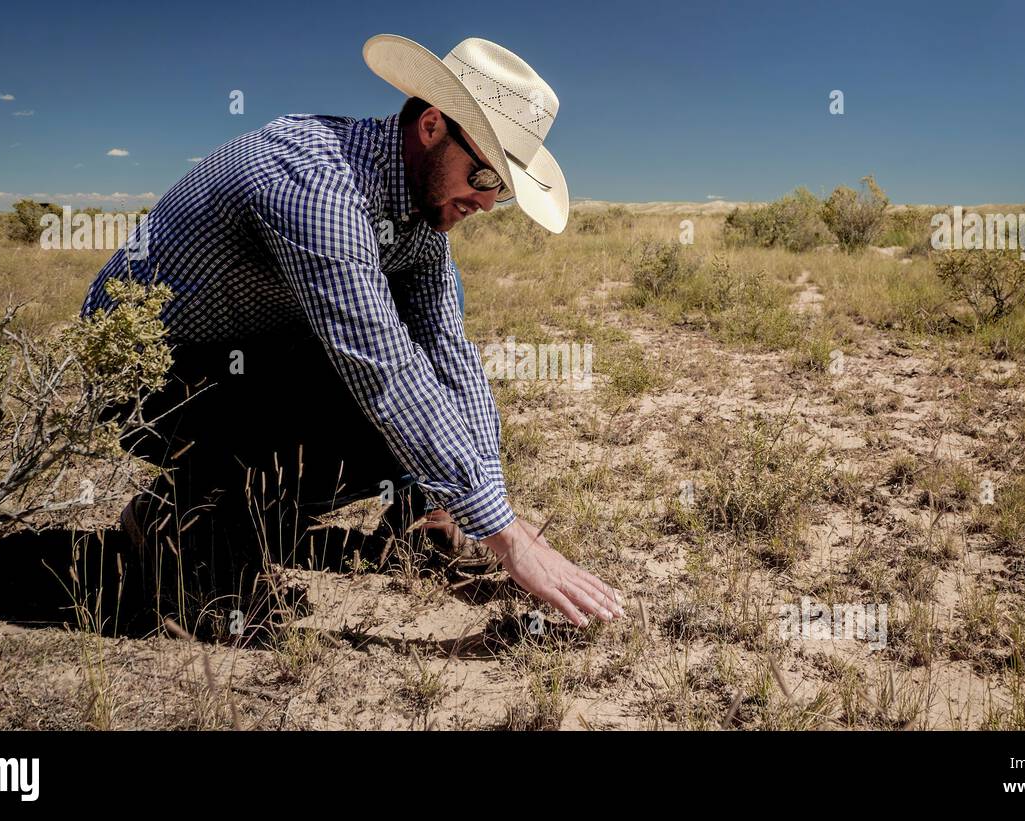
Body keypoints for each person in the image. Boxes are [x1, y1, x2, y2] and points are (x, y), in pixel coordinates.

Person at [82, 34, 625, 629]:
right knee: (381, 395)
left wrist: (488, 510)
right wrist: (513, 543)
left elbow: (450, 358)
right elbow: (384, 372)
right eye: (484, 175)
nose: (488, 202)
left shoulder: (420, 209)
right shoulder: (318, 186)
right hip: (146, 379)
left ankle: (429, 513)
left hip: (248, 351)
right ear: (431, 126)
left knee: (433, 329)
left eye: (503, 187)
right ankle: (180, 526)